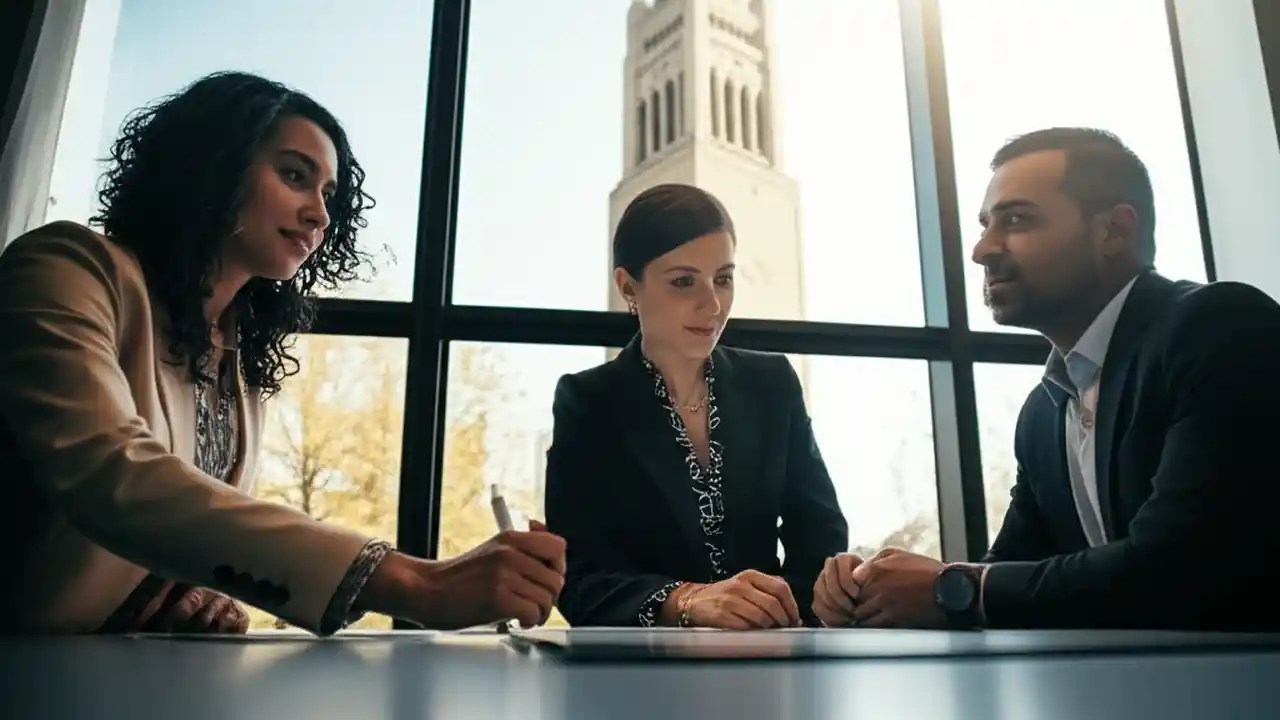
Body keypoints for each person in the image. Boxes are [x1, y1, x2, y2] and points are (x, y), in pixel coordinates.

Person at [0, 71, 565, 635]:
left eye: (328, 195)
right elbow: (113, 475)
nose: (320, 215)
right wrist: (416, 581)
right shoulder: (67, 268)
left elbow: (181, 531)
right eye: (295, 175)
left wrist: (192, 598)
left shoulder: (234, 356)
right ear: (212, 165)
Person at [812, 127, 1280, 630]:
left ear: (1113, 232)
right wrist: (872, 590)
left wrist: (952, 588)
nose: (982, 249)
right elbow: (1015, 574)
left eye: (1016, 220)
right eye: (986, 224)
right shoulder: (1043, 412)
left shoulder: (1219, 326)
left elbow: (1181, 566)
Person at [544, 183, 848, 629]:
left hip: (769, 656)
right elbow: (578, 578)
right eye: (684, 282)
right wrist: (686, 602)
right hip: (644, 666)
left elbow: (820, 533)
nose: (713, 304)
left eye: (723, 278)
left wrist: (788, 611)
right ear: (629, 286)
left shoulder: (772, 383)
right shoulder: (588, 402)